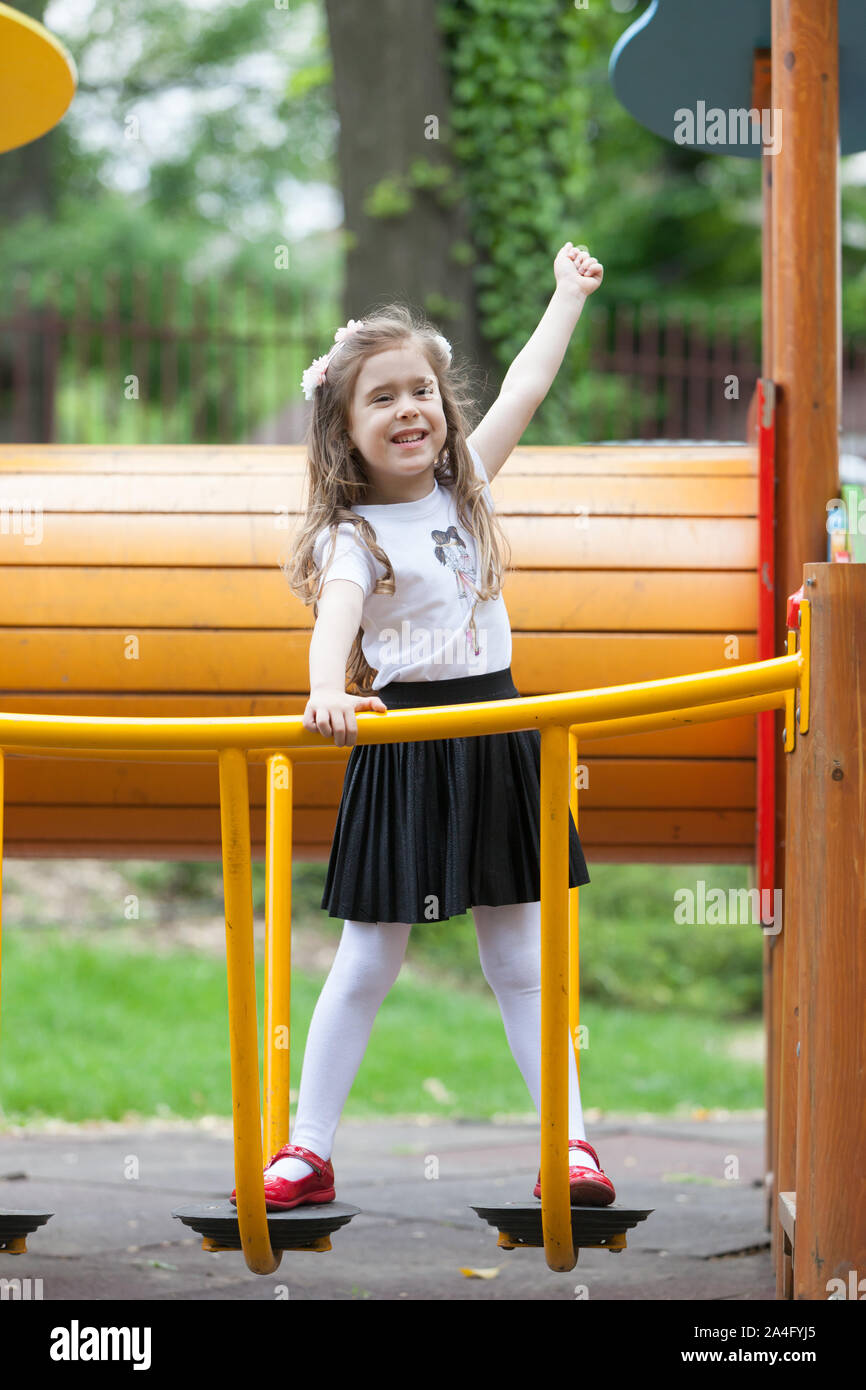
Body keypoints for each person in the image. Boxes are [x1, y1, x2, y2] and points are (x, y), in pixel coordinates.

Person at [231, 243, 616, 1215]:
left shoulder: (467, 490)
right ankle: (306, 1148)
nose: (409, 410)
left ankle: (566, 1143)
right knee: (369, 955)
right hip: (402, 745)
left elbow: (525, 386)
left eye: (423, 393)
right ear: (344, 429)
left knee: (520, 959)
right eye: (381, 398)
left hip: (498, 733)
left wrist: (565, 293)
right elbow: (335, 627)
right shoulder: (352, 535)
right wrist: (325, 691)